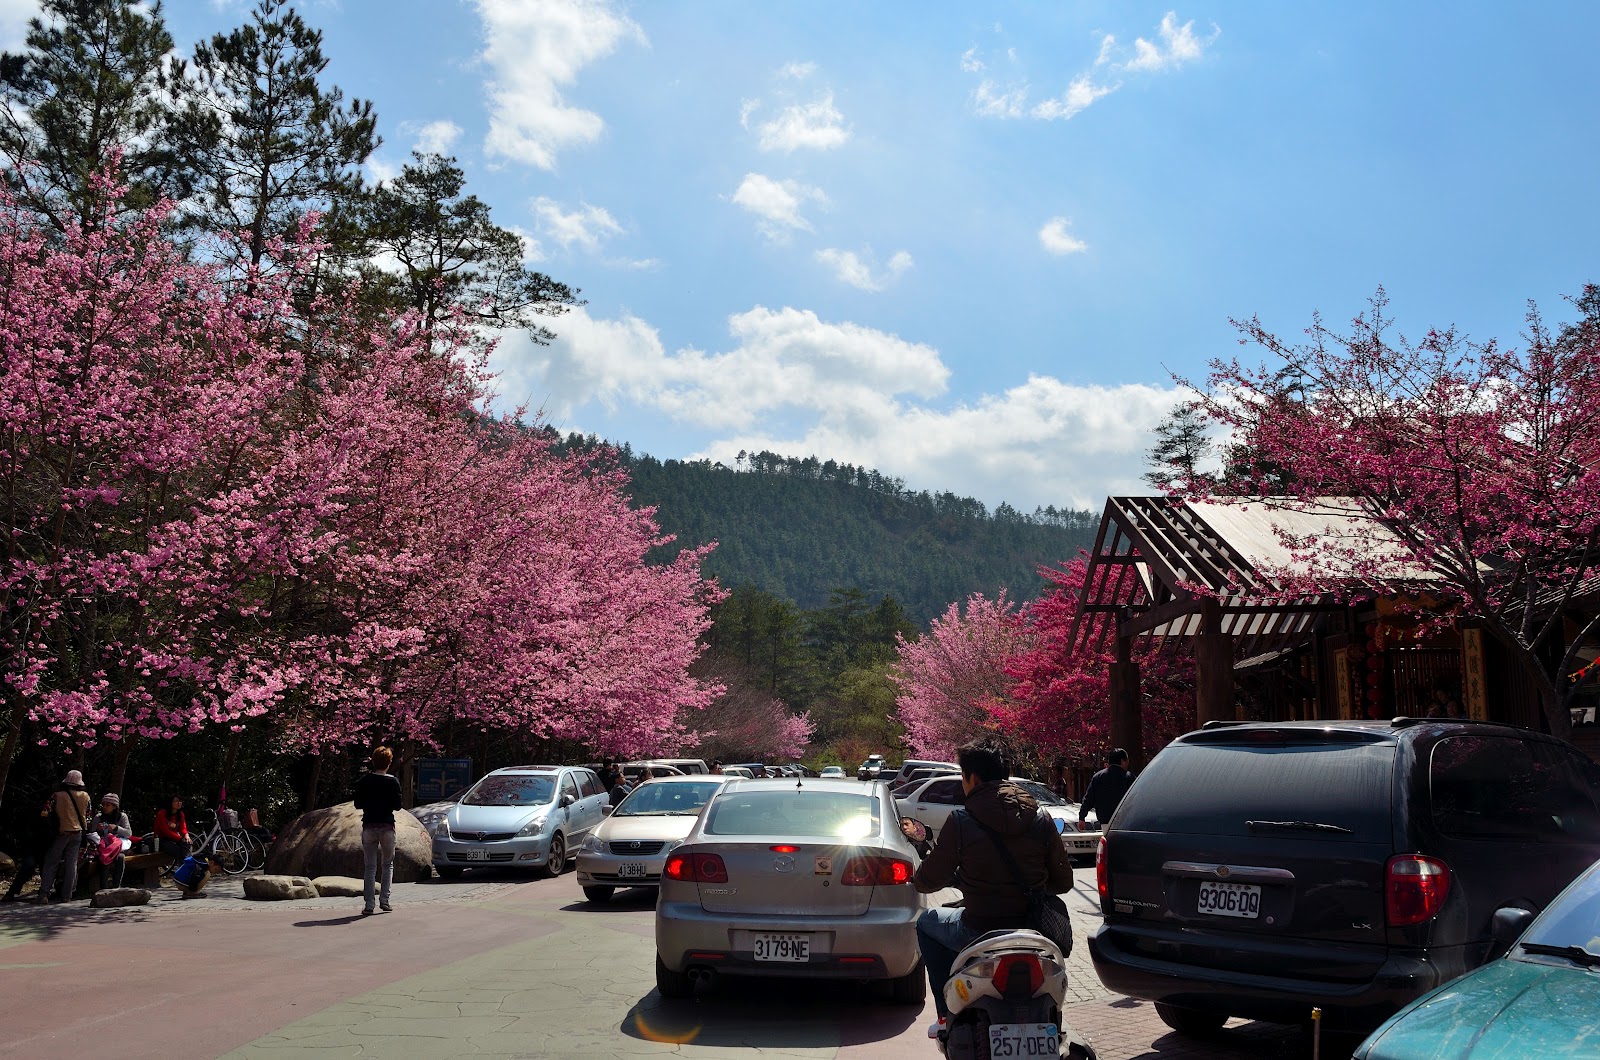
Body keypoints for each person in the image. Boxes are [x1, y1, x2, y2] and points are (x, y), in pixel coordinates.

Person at [909, 739, 1074, 1034]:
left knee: (926, 923)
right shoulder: (1041, 817)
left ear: (973, 778)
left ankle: (946, 1015)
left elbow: (929, 880)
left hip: (977, 931)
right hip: (1033, 932)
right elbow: (1064, 882)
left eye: (962, 777)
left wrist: (919, 877)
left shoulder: (961, 819)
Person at [353, 745, 404, 915]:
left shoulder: (364, 781)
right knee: (388, 864)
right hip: (387, 827)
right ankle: (385, 901)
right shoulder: (393, 782)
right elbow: (398, 806)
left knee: (370, 867)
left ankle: (369, 904)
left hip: (369, 826)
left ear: (373, 761)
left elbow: (358, 804)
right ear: (389, 762)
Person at [37, 769, 92, 903]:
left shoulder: (57, 795)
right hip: (78, 833)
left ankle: (44, 894)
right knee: (71, 864)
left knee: (51, 862)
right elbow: (89, 817)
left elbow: (44, 812)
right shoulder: (85, 796)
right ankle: (67, 895)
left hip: (61, 833)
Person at [1, 793, 59, 903]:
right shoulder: (32, 813)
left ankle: (45, 893)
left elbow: (53, 834)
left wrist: (46, 821)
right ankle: (12, 892)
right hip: (32, 848)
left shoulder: (54, 816)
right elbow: (25, 831)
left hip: (46, 849)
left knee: (46, 870)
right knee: (28, 866)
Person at [1078, 748, 1134, 831]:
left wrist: (1082, 817)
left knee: (1108, 842)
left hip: (1105, 821)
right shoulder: (1128, 777)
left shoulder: (1098, 777)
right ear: (1122, 761)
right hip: (1125, 821)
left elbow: (1088, 799)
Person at [91, 792, 132, 891]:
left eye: (108, 805)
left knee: (121, 858)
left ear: (114, 806)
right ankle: (104, 889)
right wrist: (98, 829)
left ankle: (116, 887)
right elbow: (91, 833)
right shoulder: (98, 817)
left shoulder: (122, 817)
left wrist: (116, 828)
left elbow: (128, 833)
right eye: (104, 805)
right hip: (102, 846)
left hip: (117, 847)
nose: (105, 807)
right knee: (105, 858)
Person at [153, 795, 192, 861]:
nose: (179, 803)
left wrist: (186, 835)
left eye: (180, 801)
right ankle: (186, 865)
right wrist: (180, 839)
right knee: (177, 850)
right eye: (176, 801)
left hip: (174, 838)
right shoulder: (162, 814)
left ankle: (186, 864)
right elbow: (166, 831)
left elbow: (183, 828)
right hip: (161, 839)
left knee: (187, 843)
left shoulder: (180, 814)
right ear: (171, 803)